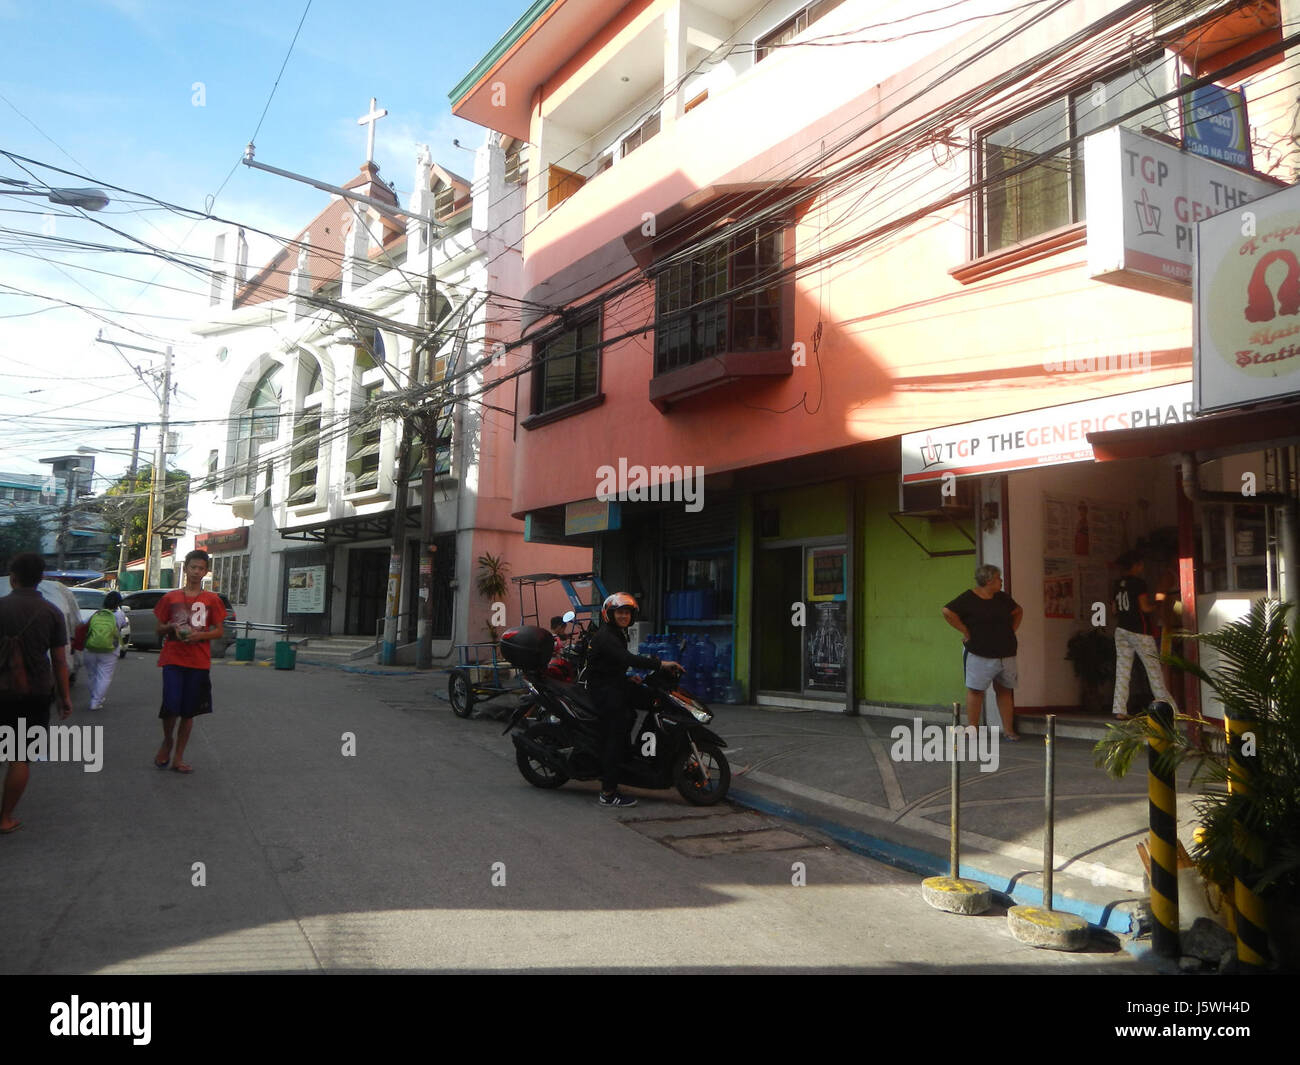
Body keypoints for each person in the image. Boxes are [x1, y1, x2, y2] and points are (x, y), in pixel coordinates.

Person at [584, 592, 680, 808]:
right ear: (609, 614)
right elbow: (625, 659)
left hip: (616, 683)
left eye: (627, 613)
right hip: (604, 690)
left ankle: (638, 757)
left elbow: (614, 664)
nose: (624, 616)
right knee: (615, 733)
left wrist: (629, 677)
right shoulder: (607, 636)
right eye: (620, 612)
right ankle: (608, 792)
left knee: (649, 700)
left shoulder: (618, 633)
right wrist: (660, 664)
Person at [0, 553, 73, 833]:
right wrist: (64, 698)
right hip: (35, 693)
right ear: (41, 580)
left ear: (13, 578)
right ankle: (5, 817)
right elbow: (59, 661)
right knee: (20, 757)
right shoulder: (51, 613)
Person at [153, 550, 226, 774]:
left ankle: (179, 757)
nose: (196, 572)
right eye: (193, 567)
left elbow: (218, 631)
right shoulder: (170, 598)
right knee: (170, 707)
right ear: (185, 568)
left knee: (188, 712)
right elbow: (158, 628)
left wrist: (199, 636)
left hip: (198, 662)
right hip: (173, 658)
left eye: (201, 568)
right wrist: (170, 627)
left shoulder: (212, 599)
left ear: (206, 571)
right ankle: (167, 741)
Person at [942, 564, 1023, 740]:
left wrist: (1011, 630)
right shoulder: (968, 598)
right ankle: (973, 729)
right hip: (979, 652)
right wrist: (965, 631)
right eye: (998, 578)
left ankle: (1008, 730)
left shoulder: (1002, 598)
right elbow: (947, 611)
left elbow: (1018, 611)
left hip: (1005, 651)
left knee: (1005, 690)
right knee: (976, 690)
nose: (1001, 581)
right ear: (989, 580)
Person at [1112, 551, 1178, 720]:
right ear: (1135, 565)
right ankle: (1170, 709)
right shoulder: (1139, 583)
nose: (1142, 567)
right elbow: (1145, 608)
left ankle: (1120, 710)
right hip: (1139, 630)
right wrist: (1158, 603)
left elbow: (1113, 609)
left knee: (1123, 670)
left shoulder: (1116, 584)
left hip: (1121, 629)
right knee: (1154, 670)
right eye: (1140, 564)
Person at [82, 591, 126, 711]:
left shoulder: (96, 613)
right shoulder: (119, 614)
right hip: (110, 649)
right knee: (104, 675)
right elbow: (123, 625)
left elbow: (84, 624)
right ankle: (96, 701)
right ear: (118, 603)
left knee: (92, 675)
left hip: (90, 647)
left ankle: (95, 697)